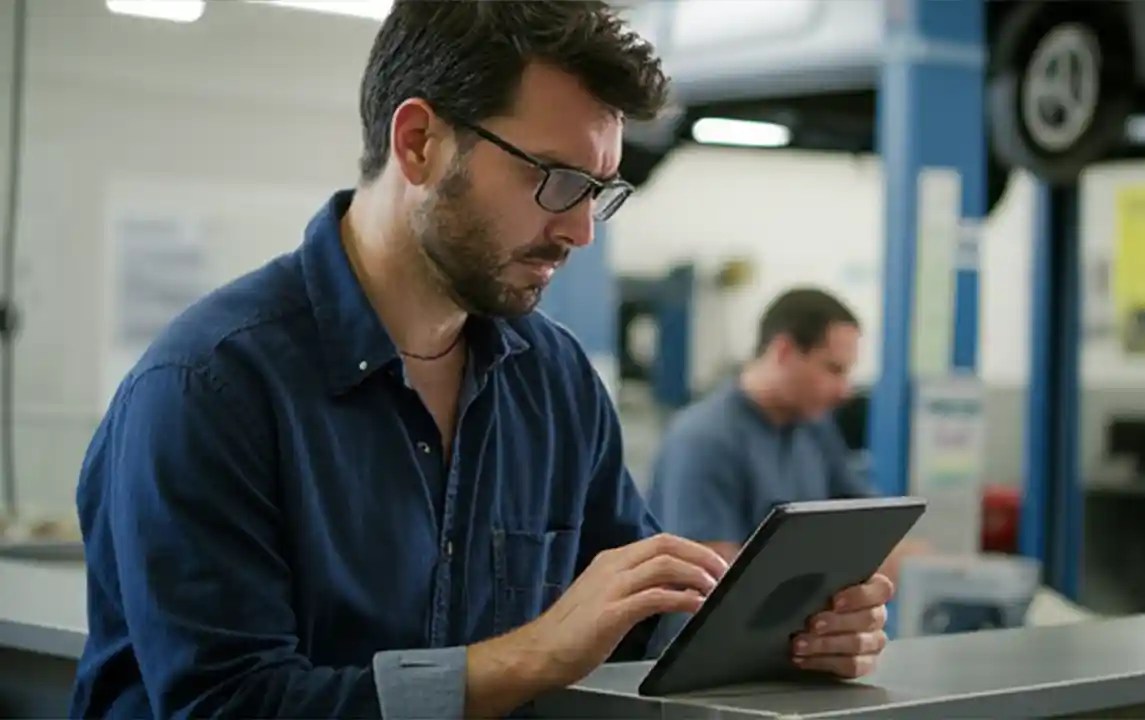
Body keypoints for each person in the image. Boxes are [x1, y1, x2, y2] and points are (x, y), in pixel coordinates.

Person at [71, 4, 894, 718]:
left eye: (601, 189)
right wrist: (532, 656)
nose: (581, 231)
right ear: (420, 141)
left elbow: (641, 621)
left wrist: (780, 637)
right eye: (556, 179)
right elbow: (232, 705)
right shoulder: (208, 390)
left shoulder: (554, 381)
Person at [647, 288, 927, 574]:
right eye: (833, 369)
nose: (845, 390)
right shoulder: (703, 440)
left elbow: (870, 519)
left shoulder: (813, 428)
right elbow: (712, 578)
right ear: (784, 352)